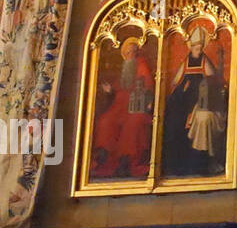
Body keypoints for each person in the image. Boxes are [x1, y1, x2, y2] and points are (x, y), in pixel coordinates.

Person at [163, 27, 225, 176]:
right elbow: (176, 81)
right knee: (173, 115)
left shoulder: (204, 60)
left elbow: (211, 80)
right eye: (196, 48)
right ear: (190, 48)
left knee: (196, 117)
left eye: (200, 48)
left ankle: (196, 162)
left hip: (200, 97)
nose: (198, 50)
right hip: (184, 97)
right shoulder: (186, 61)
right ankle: (176, 162)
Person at [92, 36, 155, 178]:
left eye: (132, 52)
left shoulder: (141, 65)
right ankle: (104, 157)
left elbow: (148, 87)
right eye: (127, 53)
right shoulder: (125, 68)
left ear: (137, 52)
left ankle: (126, 161)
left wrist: (145, 100)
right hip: (119, 107)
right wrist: (110, 90)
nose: (129, 55)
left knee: (132, 124)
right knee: (105, 121)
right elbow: (119, 86)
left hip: (136, 106)